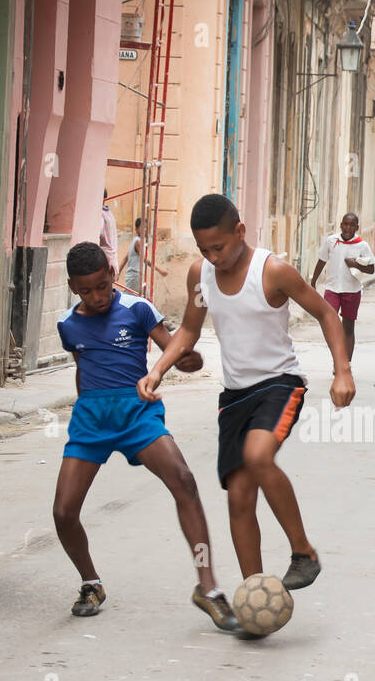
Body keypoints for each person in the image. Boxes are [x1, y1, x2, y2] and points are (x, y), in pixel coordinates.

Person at [138, 194, 355, 589]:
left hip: (279, 384)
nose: (213, 256)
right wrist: (158, 370)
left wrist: (343, 371)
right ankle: (255, 594)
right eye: (204, 249)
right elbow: (189, 328)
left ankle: (302, 550)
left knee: (258, 456)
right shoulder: (200, 275)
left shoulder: (272, 271)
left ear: (240, 231)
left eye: (218, 247)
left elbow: (326, 313)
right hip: (234, 396)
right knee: (238, 498)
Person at [52, 241, 238, 630]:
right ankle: (91, 582)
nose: (97, 296)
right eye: (86, 290)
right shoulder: (68, 325)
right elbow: (82, 366)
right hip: (90, 419)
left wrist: (191, 360)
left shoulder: (137, 310)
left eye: (103, 286)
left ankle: (208, 587)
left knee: (184, 481)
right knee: (63, 512)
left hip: (137, 412)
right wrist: (88, 404)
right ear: (73, 287)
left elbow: (175, 352)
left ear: (113, 276)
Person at [310, 212, 375, 363]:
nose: (348, 228)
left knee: (348, 328)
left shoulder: (362, 245)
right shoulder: (331, 241)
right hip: (332, 289)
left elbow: (371, 269)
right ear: (340, 225)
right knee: (330, 324)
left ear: (357, 227)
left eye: (352, 225)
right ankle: (337, 359)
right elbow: (321, 260)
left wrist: (355, 264)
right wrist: (313, 281)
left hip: (352, 291)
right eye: (345, 224)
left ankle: (346, 364)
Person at [99, 189, 118, 274]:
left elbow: (98, 234)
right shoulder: (110, 214)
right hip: (112, 259)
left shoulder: (101, 215)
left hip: (104, 260)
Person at [124, 217, 144, 294]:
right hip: (135, 276)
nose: (144, 229)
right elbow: (145, 259)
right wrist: (159, 270)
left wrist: (118, 272)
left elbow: (126, 258)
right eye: (141, 227)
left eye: (145, 227)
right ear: (136, 229)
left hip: (134, 275)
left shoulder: (136, 240)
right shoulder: (138, 242)